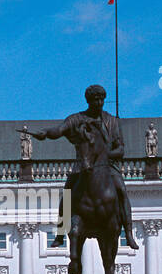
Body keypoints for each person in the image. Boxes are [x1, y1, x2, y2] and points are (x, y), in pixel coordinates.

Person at [33, 84, 138, 248]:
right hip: (83, 165)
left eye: (102, 99)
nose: (99, 103)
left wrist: (104, 155)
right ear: (88, 101)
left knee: (122, 191)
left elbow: (121, 149)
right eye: (96, 100)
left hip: (107, 167)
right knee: (67, 194)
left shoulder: (111, 121)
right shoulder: (77, 119)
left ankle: (129, 233)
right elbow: (60, 130)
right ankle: (60, 233)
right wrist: (46, 133)